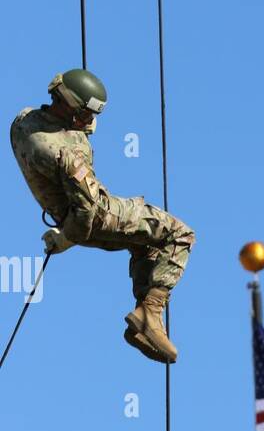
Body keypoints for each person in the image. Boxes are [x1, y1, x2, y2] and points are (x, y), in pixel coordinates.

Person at [9, 68, 194, 363]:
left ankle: (144, 322)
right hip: (96, 217)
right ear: (68, 106)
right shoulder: (69, 156)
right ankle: (151, 312)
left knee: (146, 242)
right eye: (84, 114)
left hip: (65, 213)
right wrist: (68, 238)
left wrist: (75, 130)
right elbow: (88, 209)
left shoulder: (23, 122)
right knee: (179, 234)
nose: (90, 122)